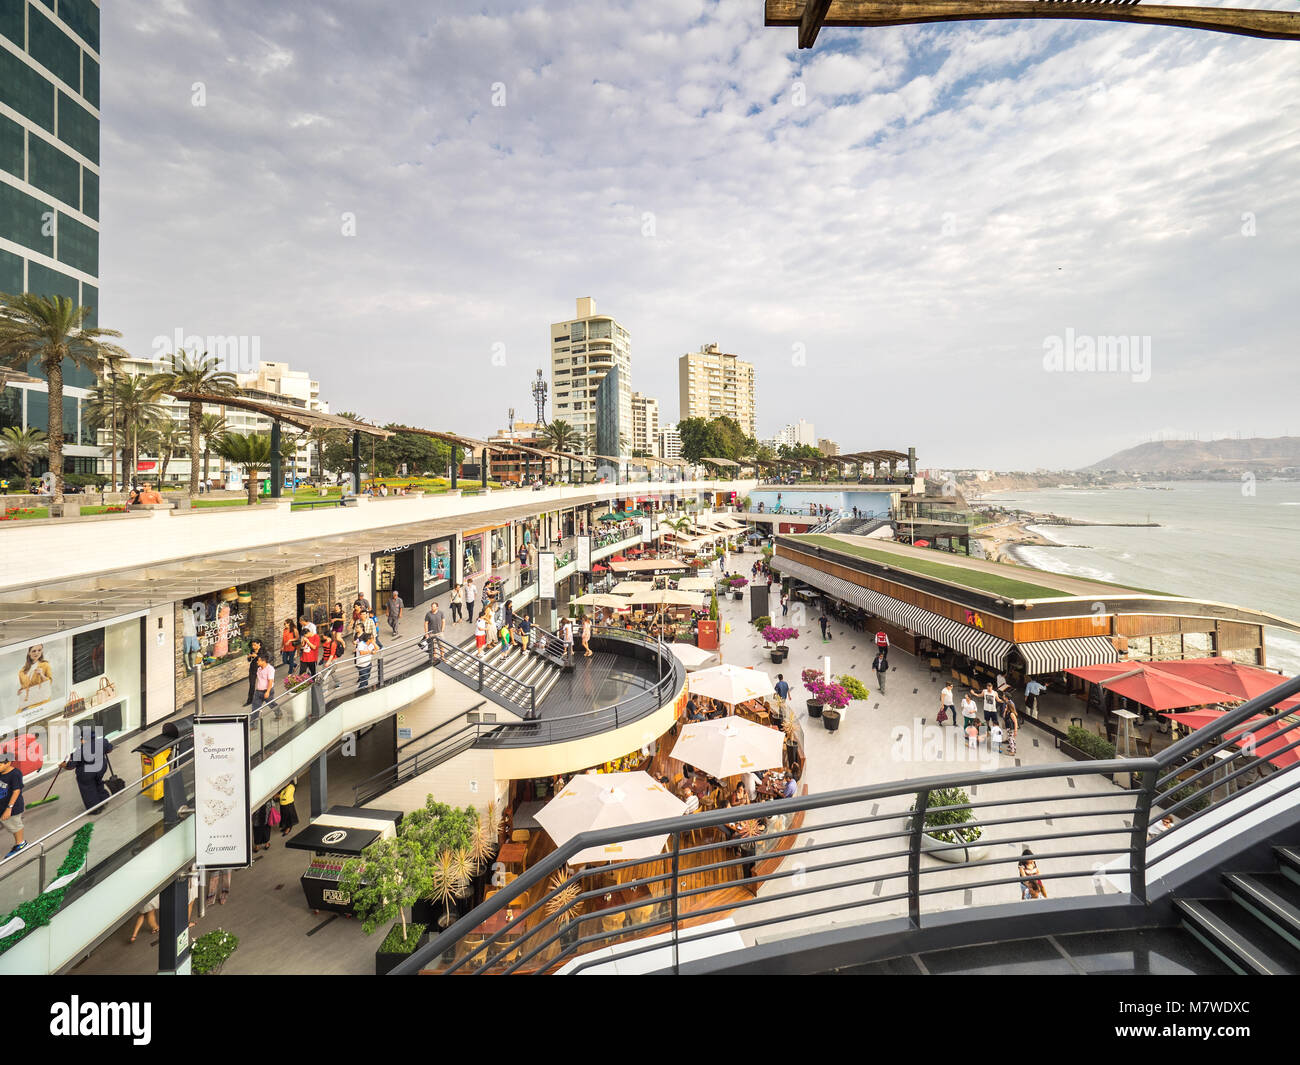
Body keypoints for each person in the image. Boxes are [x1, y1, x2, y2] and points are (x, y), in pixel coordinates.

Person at [62, 725, 114, 811]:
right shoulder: (103, 742)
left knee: (88, 789)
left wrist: (63, 765)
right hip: (101, 768)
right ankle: (104, 799)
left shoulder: (79, 752)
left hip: (87, 773)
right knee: (98, 782)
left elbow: (70, 766)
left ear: (83, 739)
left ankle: (95, 808)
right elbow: (109, 749)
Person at [0, 750, 25, 856]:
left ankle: (21, 843)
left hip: (12, 807)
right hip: (2, 805)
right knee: (8, 823)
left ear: (9, 762)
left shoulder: (15, 774)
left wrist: (9, 808)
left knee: (14, 824)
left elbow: (16, 791)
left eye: (0, 764)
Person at [253, 652, 276, 718]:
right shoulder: (259, 669)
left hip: (267, 691)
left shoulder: (270, 669)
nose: (257, 662)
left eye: (258, 660)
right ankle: (253, 724)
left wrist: (268, 692)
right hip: (258, 691)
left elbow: (270, 681)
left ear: (264, 661)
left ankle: (278, 713)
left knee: (272, 704)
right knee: (255, 708)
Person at [245, 637, 266, 707]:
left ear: (259, 644)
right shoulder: (252, 650)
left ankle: (265, 697)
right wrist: (249, 657)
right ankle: (249, 700)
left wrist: (256, 656)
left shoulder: (263, 650)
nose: (253, 647)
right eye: (252, 645)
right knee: (252, 684)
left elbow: (264, 658)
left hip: (261, 669)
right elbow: (249, 660)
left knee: (262, 684)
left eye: (254, 645)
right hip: (253, 669)